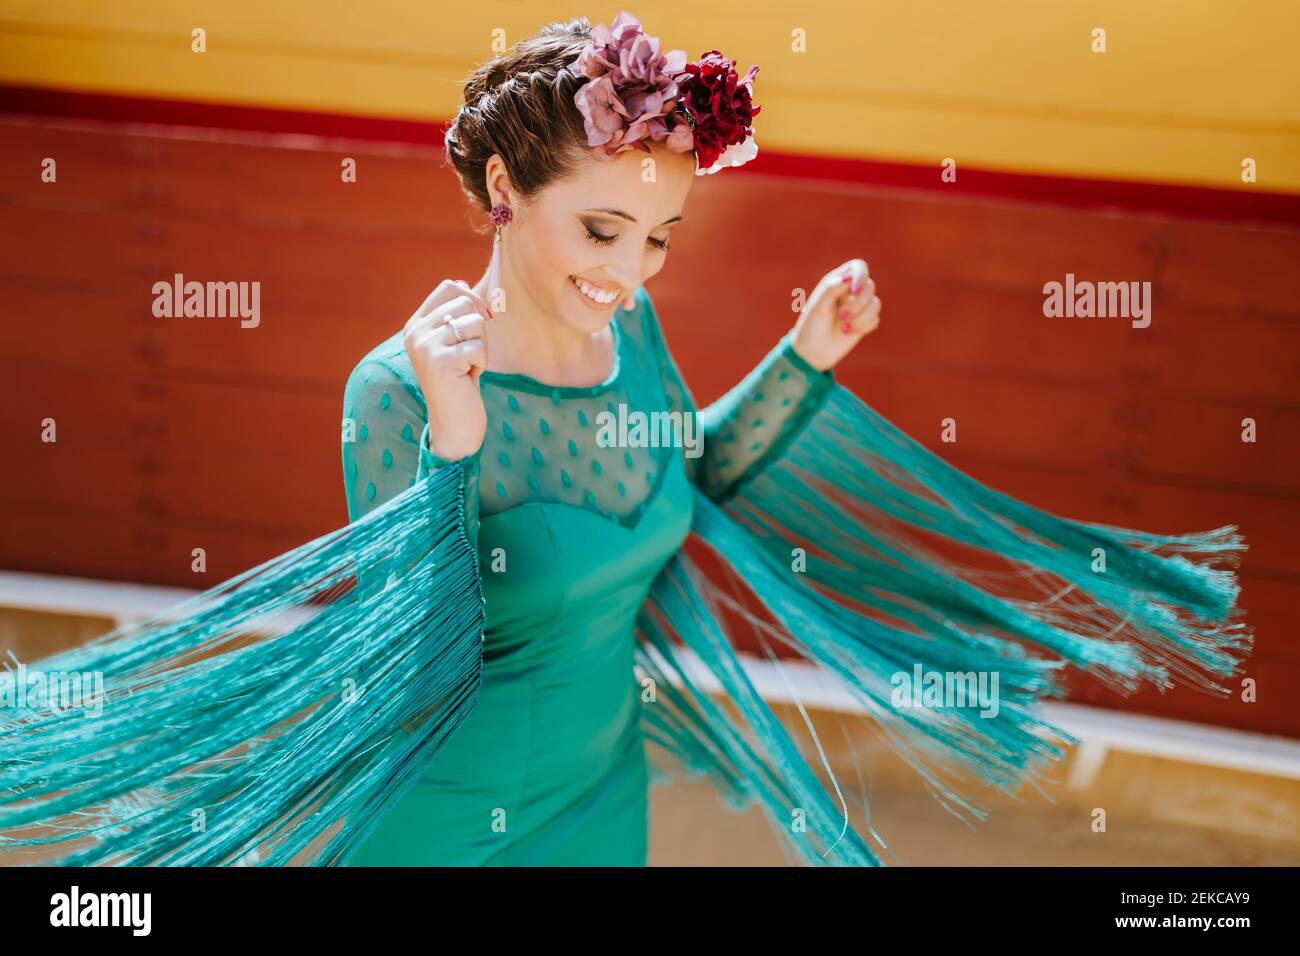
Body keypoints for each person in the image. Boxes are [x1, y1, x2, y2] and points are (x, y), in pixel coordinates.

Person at [0, 12, 1252, 868]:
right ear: (502, 192)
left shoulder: (632, 330)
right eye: (600, 231)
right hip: (444, 814)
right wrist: (452, 439)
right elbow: (409, 664)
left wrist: (804, 355)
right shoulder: (396, 386)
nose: (631, 269)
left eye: (655, 238)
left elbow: (680, 476)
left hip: (603, 789)